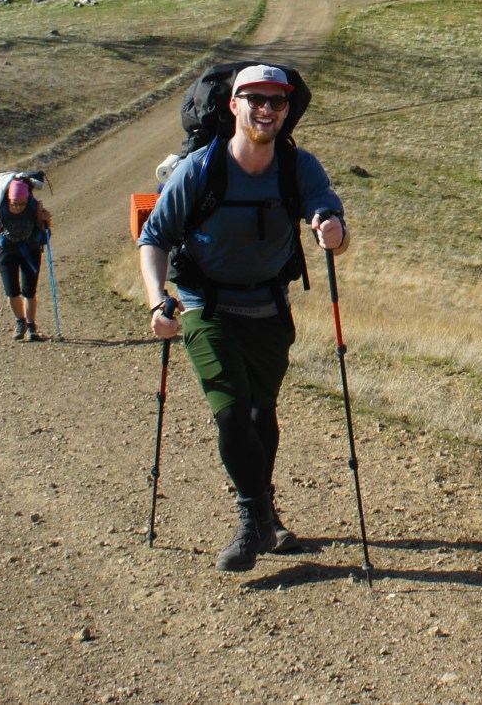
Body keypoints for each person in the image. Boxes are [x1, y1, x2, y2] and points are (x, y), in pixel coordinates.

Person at [137, 63, 347, 573]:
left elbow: (328, 213)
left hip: (269, 308)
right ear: (234, 106)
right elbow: (154, 238)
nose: (266, 109)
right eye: (254, 99)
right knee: (230, 409)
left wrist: (332, 229)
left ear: (286, 110)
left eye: (276, 101)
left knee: (261, 412)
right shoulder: (200, 170)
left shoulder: (299, 168)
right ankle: (253, 519)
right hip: (204, 306)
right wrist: (156, 301)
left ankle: (264, 511)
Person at [0, 179, 53, 342]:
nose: (17, 207)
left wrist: (46, 220)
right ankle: (20, 323)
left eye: (21, 204)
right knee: (11, 291)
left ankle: (32, 327)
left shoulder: (34, 208)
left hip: (30, 250)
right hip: (7, 252)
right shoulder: (1, 211)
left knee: (29, 291)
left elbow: (43, 228)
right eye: (14, 203)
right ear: (9, 200)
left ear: (27, 200)